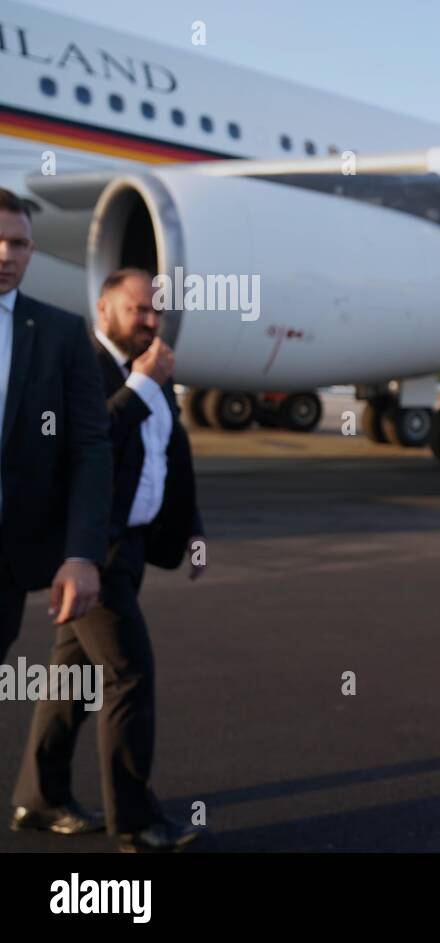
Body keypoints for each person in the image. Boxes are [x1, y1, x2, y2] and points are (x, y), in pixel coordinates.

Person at [12, 268, 205, 852]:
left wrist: (192, 533)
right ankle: (136, 822)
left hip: (134, 548)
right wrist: (143, 387)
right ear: (102, 309)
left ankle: (38, 799)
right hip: (90, 552)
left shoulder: (153, 368)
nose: (149, 320)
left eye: (156, 312)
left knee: (72, 676)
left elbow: (173, 453)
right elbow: (85, 444)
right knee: (127, 674)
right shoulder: (83, 364)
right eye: (136, 309)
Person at [0, 187, 110, 670]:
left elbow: (90, 448)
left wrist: (82, 554)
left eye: (19, 244)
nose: (7, 254)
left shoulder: (61, 334)